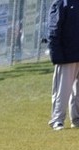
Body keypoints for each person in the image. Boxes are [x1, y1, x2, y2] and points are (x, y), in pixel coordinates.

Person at [47, 0, 79, 130]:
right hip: (67, 56)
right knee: (62, 90)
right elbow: (54, 29)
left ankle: (77, 119)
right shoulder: (62, 3)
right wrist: (56, 54)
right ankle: (57, 120)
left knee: (78, 92)